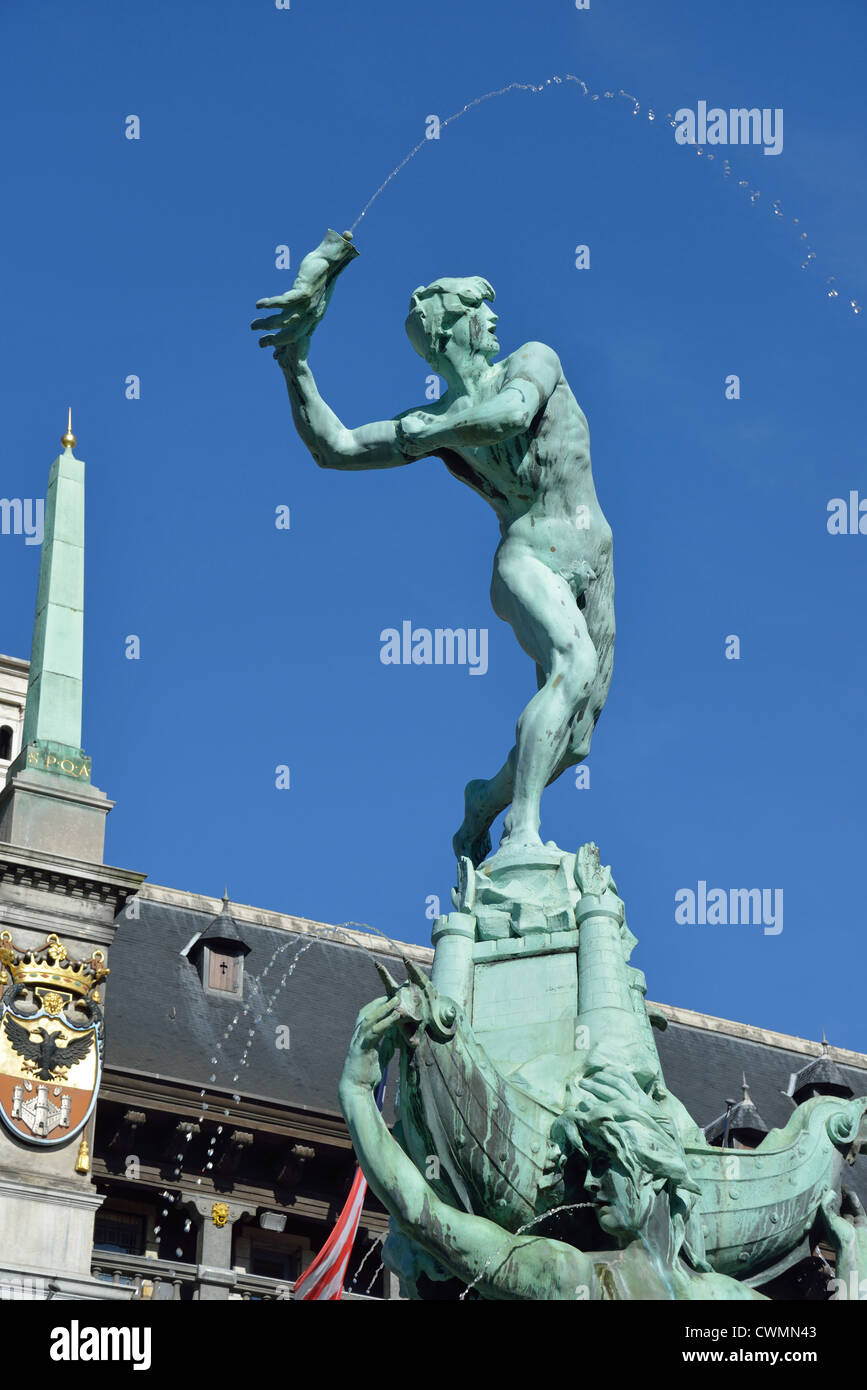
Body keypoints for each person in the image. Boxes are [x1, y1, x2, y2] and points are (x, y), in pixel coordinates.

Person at [253, 254, 614, 866]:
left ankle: (484, 803)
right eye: (479, 310)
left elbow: (511, 413)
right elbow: (333, 448)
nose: (495, 319)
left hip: (594, 562)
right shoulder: (434, 422)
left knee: (575, 744)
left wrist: (425, 432)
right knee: (572, 665)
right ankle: (522, 833)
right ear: (450, 331)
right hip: (527, 556)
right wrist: (297, 362)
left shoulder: (532, 360)